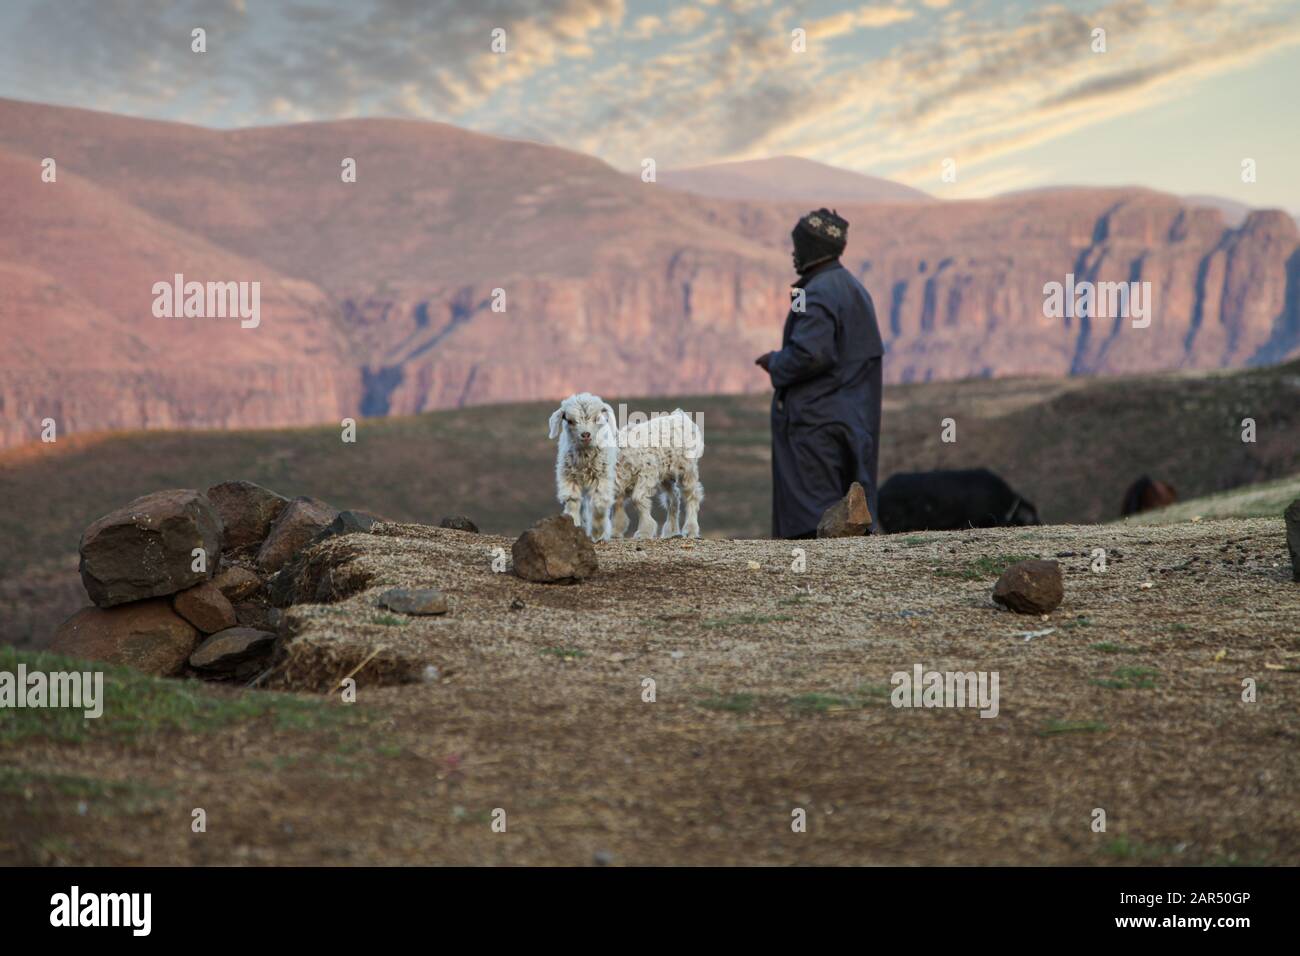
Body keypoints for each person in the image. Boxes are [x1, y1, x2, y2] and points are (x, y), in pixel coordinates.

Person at [756, 208, 884, 538]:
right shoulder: (854, 288)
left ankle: (808, 585)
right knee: (852, 514)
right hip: (854, 421)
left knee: (811, 519)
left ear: (812, 248)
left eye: (798, 246)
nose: (793, 253)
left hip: (816, 428)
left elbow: (810, 354)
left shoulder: (817, 293)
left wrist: (776, 362)